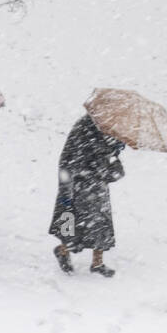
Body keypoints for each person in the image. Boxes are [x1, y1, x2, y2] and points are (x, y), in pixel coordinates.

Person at [49, 113, 126, 277]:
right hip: (76, 182)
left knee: (101, 221)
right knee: (69, 217)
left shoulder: (112, 129)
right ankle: (63, 251)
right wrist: (95, 165)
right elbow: (72, 156)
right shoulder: (85, 126)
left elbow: (110, 158)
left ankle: (97, 263)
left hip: (97, 183)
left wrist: (114, 155)